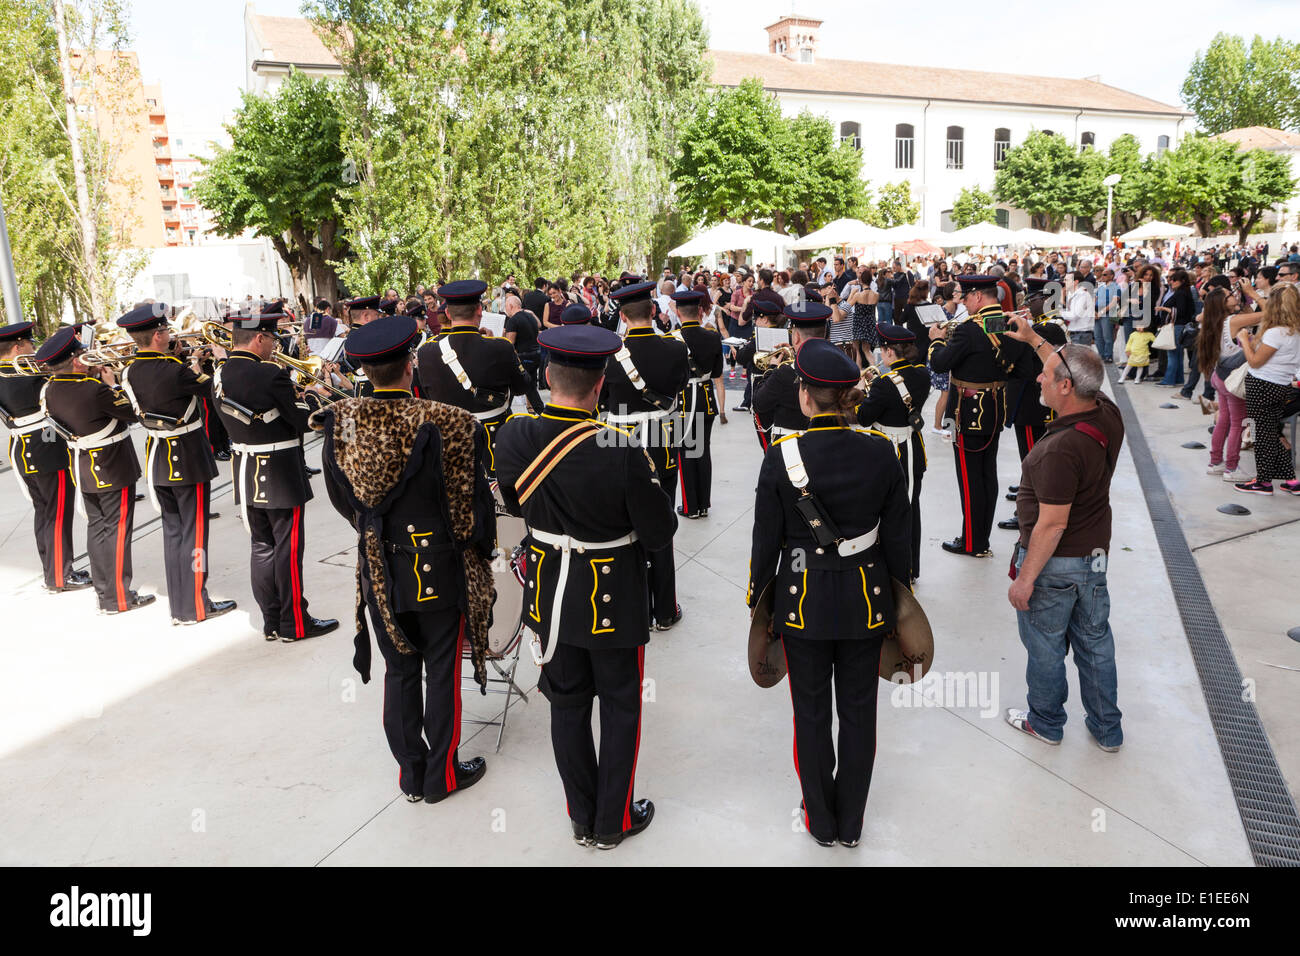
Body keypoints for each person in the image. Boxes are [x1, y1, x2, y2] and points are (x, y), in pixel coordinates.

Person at [495, 324, 675, 849]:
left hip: (549, 596)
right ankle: (612, 820)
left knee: (567, 707)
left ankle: (581, 815)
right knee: (620, 707)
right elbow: (661, 533)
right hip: (612, 600)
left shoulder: (514, 436)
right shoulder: (620, 447)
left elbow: (512, 501)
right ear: (600, 386)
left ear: (548, 376)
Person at [315, 315, 494, 803]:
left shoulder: (342, 421)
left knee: (399, 672)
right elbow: (472, 510)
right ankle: (442, 776)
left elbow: (341, 496)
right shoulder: (453, 423)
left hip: (378, 564)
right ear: (411, 364)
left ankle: (411, 776)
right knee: (441, 670)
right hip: (438, 564)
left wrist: (371, 528)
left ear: (365, 370)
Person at [748, 339, 911, 848]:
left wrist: (761, 605)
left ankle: (820, 820)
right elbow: (900, 540)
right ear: (846, 398)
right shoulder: (882, 451)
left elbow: (765, 541)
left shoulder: (780, 458)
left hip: (802, 603)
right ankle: (852, 823)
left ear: (803, 396)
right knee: (860, 712)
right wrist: (898, 604)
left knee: (811, 712)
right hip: (866, 599)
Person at [1001, 327, 1125, 753]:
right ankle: (1108, 729)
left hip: (1055, 567)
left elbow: (1051, 525)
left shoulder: (1058, 449)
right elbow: (1071, 362)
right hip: (1093, 561)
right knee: (1095, 644)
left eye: (1047, 374)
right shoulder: (1107, 412)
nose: (1039, 378)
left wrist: (1025, 580)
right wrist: (1033, 338)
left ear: (1066, 387)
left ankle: (1047, 723)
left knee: (1046, 649)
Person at [215, 310, 337, 641]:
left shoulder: (219, 374)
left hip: (244, 469)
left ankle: (271, 621)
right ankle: (294, 623)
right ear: (259, 338)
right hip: (280, 469)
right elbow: (301, 420)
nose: (274, 345)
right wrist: (314, 399)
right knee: (287, 548)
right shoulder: (269, 374)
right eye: (272, 339)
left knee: (262, 546)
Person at [117, 303, 237, 625]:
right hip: (188, 455)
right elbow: (217, 389)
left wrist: (185, 359)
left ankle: (181, 606)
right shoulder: (176, 370)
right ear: (158, 335)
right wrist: (221, 360)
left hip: (157, 456)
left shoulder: (129, 371)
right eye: (166, 330)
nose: (171, 334)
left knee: (173, 535)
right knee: (195, 534)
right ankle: (197, 605)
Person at [34, 326, 155, 614]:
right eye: (84, 354)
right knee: (117, 531)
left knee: (98, 528)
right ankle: (117, 597)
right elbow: (132, 412)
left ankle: (106, 594)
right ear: (77, 361)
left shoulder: (49, 389)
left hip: (84, 464)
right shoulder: (95, 389)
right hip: (112, 464)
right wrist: (113, 383)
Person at [601, 280, 689, 629]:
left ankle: (629, 606)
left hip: (619, 443)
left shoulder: (609, 354)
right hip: (661, 443)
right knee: (661, 522)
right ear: (653, 311)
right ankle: (665, 610)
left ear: (622, 316)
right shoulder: (674, 349)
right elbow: (680, 387)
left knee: (623, 525)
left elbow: (603, 400)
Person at [416, 280, 543, 478]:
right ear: (479, 311)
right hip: (494, 439)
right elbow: (523, 386)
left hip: (449, 442)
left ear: (448, 314)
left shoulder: (426, 352)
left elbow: (427, 394)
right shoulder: (500, 346)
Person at [0, 322, 90, 593]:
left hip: (22, 448)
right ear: (18, 347)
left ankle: (52, 571)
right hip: (47, 448)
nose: (34, 350)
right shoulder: (30, 376)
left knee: (45, 513)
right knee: (58, 513)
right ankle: (61, 575)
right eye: (30, 345)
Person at [927, 275, 1012, 558]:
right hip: (995, 411)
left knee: (970, 480)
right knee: (988, 475)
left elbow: (940, 364)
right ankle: (981, 538)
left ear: (977, 296)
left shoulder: (968, 329)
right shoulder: (1003, 322)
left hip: (969, 414)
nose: (963, 301)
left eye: (965, 296)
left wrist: (937, 341)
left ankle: (973, 542)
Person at [855, 324, 930, 582]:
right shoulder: (922, 375)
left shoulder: (884, 384)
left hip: (889, 452)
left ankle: (891, 568)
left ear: (888, 351)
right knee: (912, 509)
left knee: (887, 511)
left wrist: (865, 392)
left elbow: (864, 418)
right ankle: (911, 568)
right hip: (913, 450)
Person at [998, 277, 1068, 532]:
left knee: (1033, 459)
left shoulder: (1050, 327)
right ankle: (1028, 496)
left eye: (1032, 300)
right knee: (1030, 458)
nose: (1027, 304)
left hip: (1032, 403)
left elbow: (1019, 355)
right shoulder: (1042, 325)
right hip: (1028, 400)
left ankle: (1028, 512)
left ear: (1046, 301)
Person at [1234, 284, 1300, 496]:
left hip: (1262, 386)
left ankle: (1263, 482)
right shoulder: (1295, 331)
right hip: (1280, 387)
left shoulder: (1276, 333)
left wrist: (1244, 340)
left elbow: (1254, 362)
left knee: (1260, 435)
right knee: (1270, 433)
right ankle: (1290, 480)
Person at [670, 290, 724, 519]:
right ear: (700, 311)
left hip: (683, 400)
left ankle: (690, 506)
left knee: (684, 452)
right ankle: (703, 504)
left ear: (678, 313)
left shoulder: (671, 339)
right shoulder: (712, 337)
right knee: (702, 450)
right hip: (705, 397)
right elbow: (718, 372)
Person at [752, 300, 832, 449]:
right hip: (827, 445)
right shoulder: (837, 366)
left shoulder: (785, 372)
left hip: (790, 447)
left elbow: (759, 403)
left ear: (795, 337)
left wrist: (771, 369)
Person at [1158, 268, 1195, 387]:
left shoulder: (1180, 293)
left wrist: (1163, 309)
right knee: (1177, 354)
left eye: (1174, 280)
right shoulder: (1186, 292)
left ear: (1182, 281)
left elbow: (1180, 311)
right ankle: (1178, 379)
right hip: (1181, 326)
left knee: (1173, 354)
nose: (1171, 282)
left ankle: (1169, 380)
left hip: (1177, 326)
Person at [502, 293, 542, 391]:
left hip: (523, 357)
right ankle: (509, 406)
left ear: (511, 306)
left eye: (506, 307)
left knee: (527, 387)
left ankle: (538, 406)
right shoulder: (530, 316)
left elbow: (510, 343)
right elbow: (539, 325)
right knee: (530, 386)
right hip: (536, 354)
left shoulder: (513, 320)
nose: (506, 310)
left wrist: (503, 335)